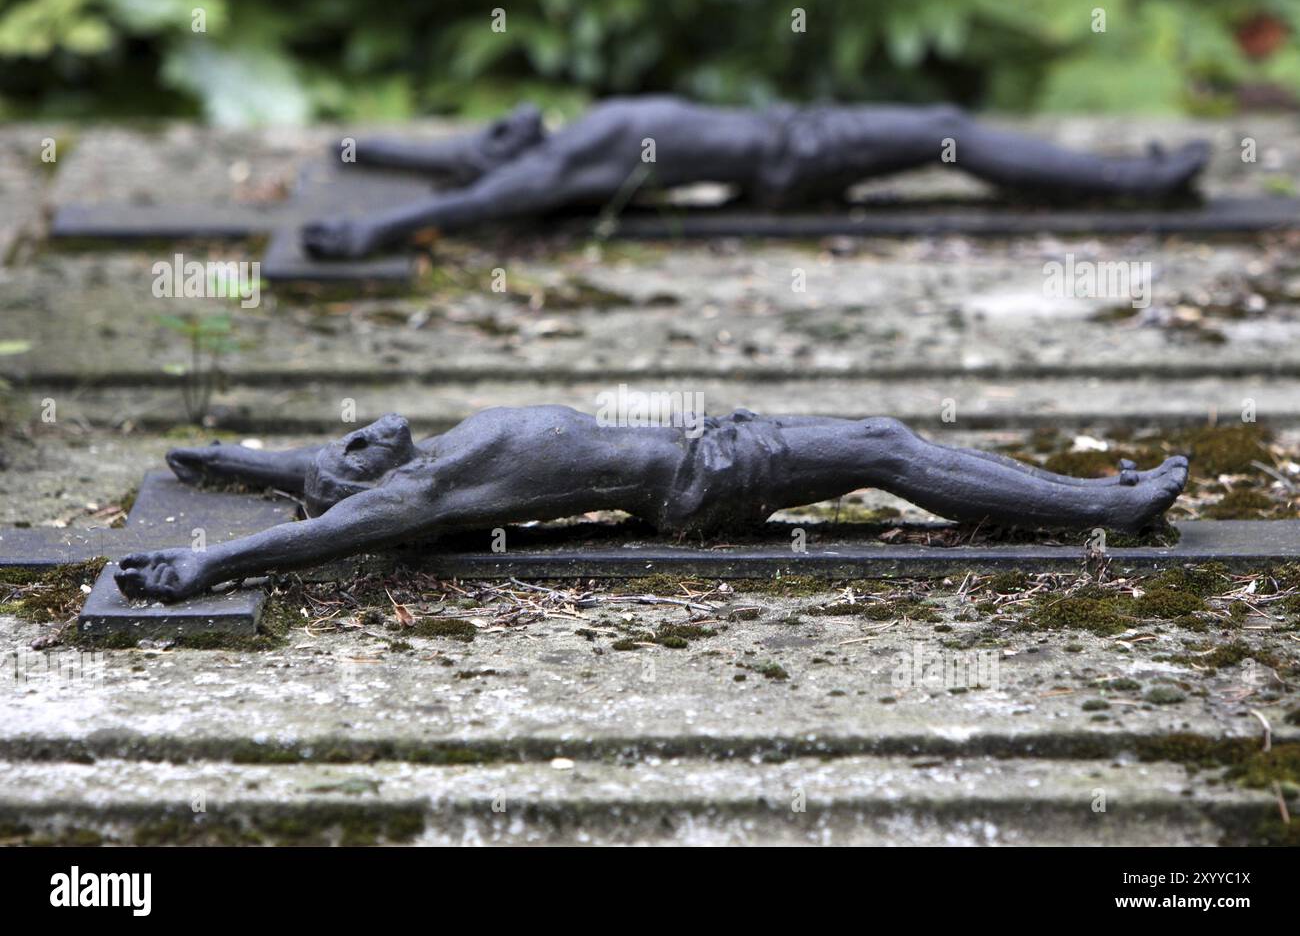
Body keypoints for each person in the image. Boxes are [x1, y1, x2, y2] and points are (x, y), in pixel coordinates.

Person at [115, 406, 1188, 601]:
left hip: (707, 442)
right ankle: (1105, 508)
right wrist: (209, 566)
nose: (351, 436)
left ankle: (1100, 499)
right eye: (347, 455)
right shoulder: (419, 486)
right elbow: (339, 520)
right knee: (883, 445)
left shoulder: (411, 456)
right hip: (701, 478)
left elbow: (304, 470)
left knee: (880, 442)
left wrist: (221, 461)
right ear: (379, 489)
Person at [303, 96, 1210, 257]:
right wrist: (370, 233)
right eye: (504, 134)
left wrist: (367, 153)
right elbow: (480, 194)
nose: (506, 124)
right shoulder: (578, 150)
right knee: (945, 131)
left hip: (792, 140)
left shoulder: (578, 141)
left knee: (945, 137)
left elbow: (462, 164)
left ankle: (1128, 180)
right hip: (796, 152)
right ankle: (1130, 185)